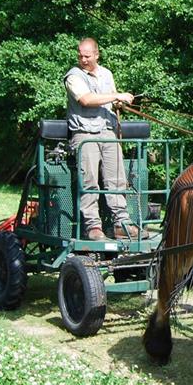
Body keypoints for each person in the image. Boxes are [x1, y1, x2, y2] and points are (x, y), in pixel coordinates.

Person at [63, 37, 138, 240]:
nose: (83, 59)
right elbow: (86, 99)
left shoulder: (106, 74)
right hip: (85, 134)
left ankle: (121, 224)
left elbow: (112, 99)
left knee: (117, 180)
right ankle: (93, 227)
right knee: (89, 183)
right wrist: (116, 96)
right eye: (80, 55)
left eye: (87, 56)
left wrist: (120, 102)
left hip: (108, 132)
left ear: (97, 54)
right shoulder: (73, 76)